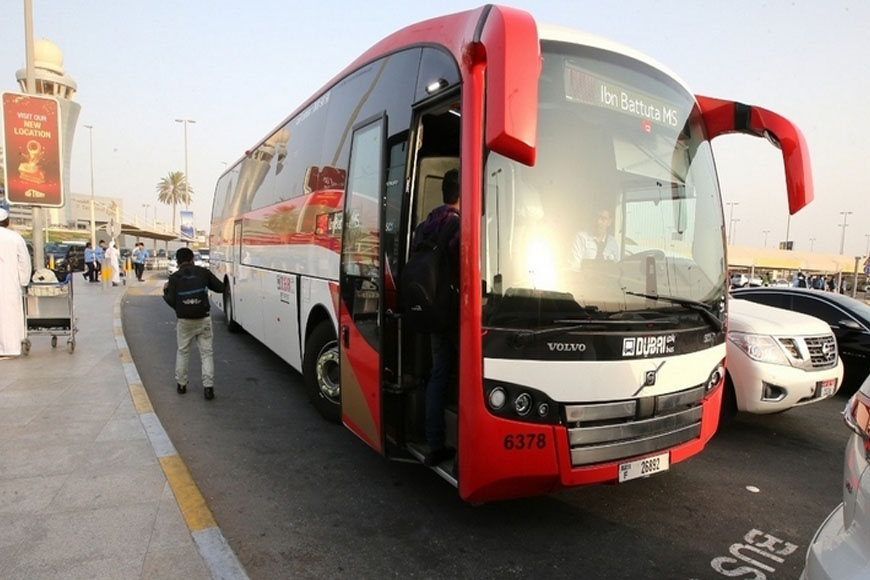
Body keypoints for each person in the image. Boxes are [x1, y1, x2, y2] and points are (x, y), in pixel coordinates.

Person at [412, 168, 460, 467]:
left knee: (438, 374)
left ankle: (434, 443)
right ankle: (464, 452)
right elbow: (462, 268)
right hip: (452, 312)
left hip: (429, 309)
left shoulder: (425, 224)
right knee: (468, 377)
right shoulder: (456, 226)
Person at [163, 247, 225, 400]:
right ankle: (208, 388)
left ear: (178, 262)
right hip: (203, 318)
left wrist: (166, 292)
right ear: (192, 259)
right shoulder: (203, 272)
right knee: (206, 353)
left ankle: (181, 385)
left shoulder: (175, 277)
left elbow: (171, 300)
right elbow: (220, 288)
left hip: (184, 321)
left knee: (183, 351)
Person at [0, 205, 32, 358]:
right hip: (9, 283)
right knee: (10, 314)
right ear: (7, 221)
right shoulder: (15, 237)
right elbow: (24, 261)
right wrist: (24, 280)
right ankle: (10, 348)